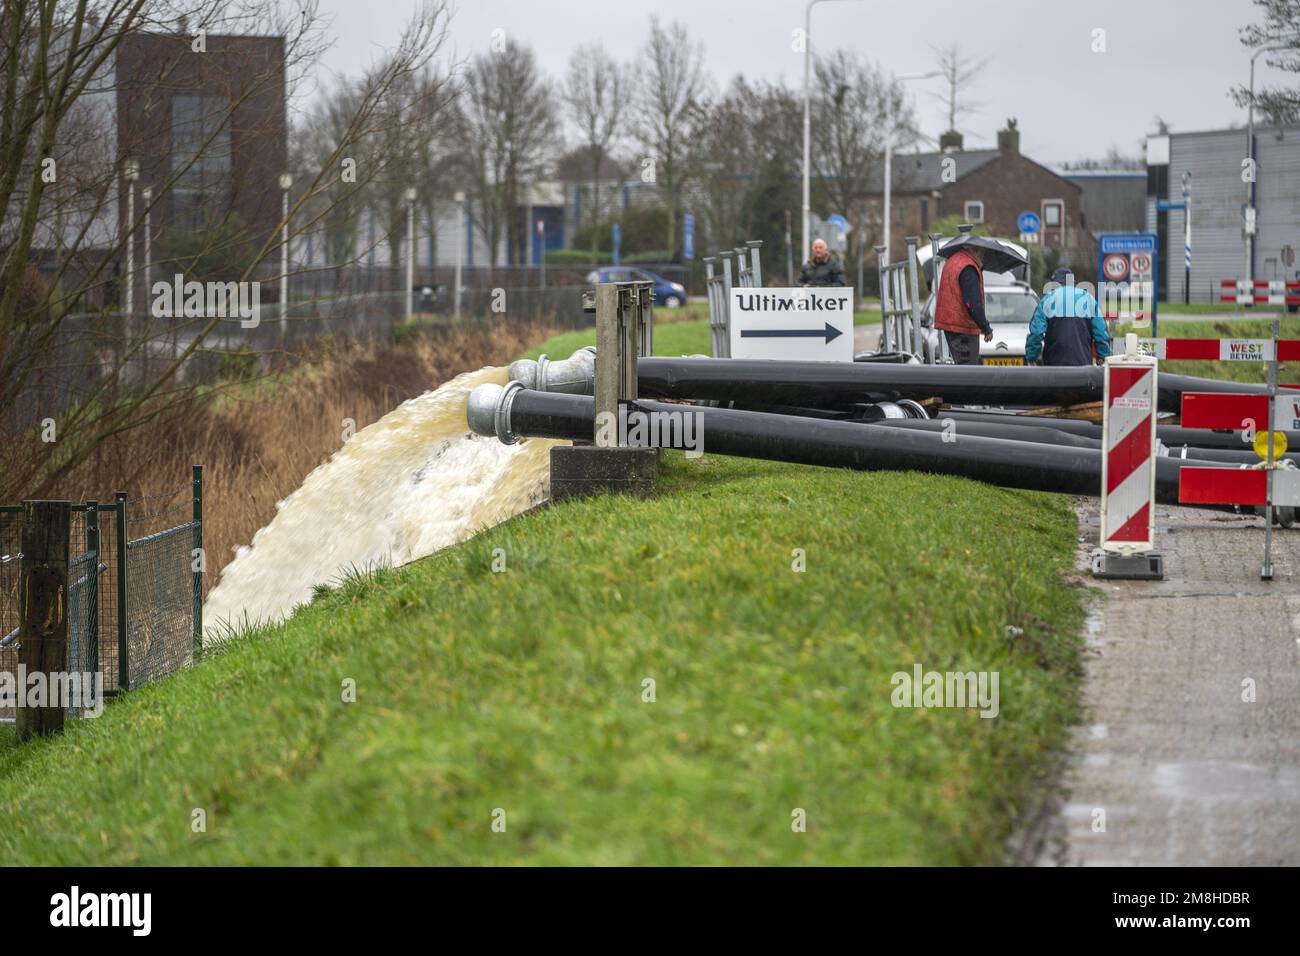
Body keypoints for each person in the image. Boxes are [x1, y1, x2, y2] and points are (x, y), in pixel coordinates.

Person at [1026, 268, 1111, 366]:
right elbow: (1101, 332)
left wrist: (1032, 357)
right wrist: (1102, 357)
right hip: (1083, 365)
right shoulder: (1088, 299)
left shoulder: (1047, 299)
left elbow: (1036, 333)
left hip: (1053, 365)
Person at [934, 245, 993, 365]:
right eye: (982, 253)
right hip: (963, 327)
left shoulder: (954, 261)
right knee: (968, 369)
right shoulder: (968, 268)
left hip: (952, 323)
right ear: (975, 250)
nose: (983, 257)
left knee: (963, 366)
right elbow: (973, 303)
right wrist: (986, 328)